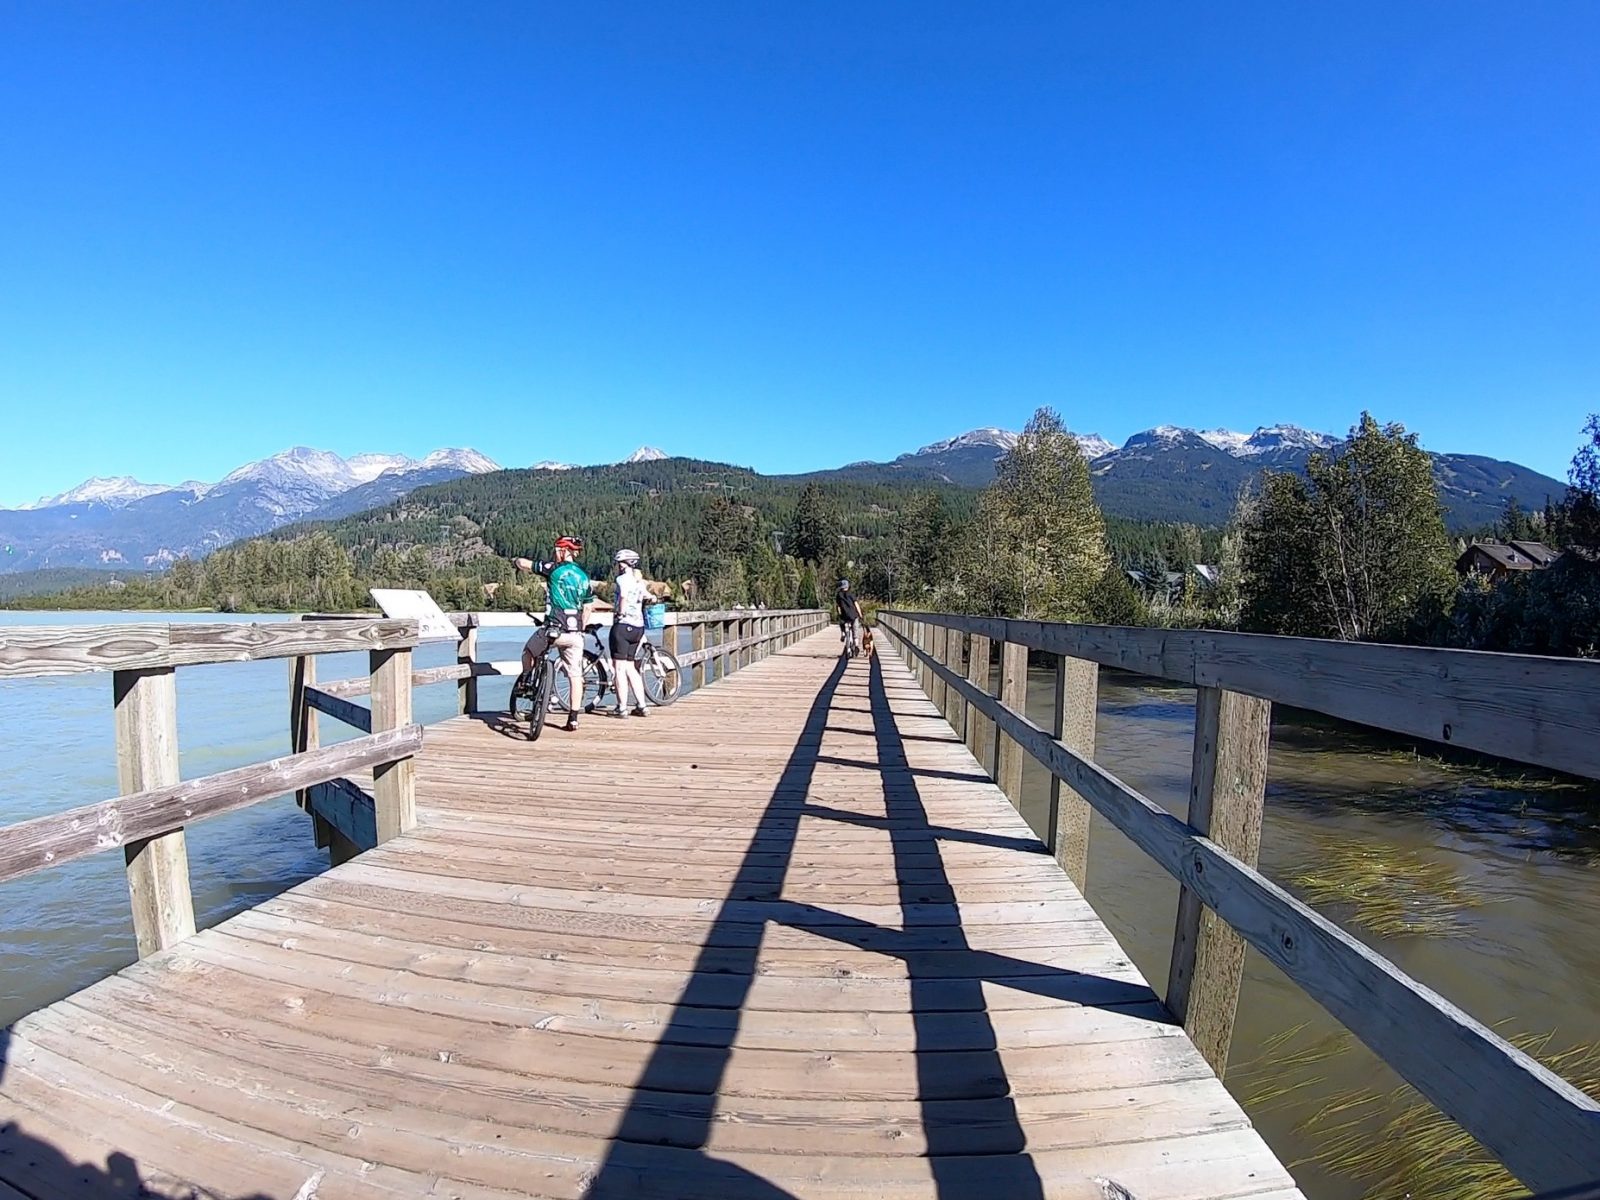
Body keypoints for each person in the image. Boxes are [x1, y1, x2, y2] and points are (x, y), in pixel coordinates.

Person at [514, 535, 594, 732]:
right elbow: (588, 608)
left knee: (528, 652)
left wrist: (515, 561)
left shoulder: (554, 569)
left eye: (556, 549)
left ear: (562, 550)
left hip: (554, 630)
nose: (554, 553)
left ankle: (526, 680)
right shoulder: (584, 578)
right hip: (575, 634)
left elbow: (526, 564)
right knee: (575, 675)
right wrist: (581, 629)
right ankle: (573, 719)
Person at [606, 549, 671, 717]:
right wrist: (655, 599)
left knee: (619, 668)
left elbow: (623, 598)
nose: (618, 566)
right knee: (630, 667)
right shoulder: (639, 582)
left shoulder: (622, 580)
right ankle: (642, 705)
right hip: (638, 627)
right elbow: (649, 597)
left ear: (626, 563)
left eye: (620, 563)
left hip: (623, 626)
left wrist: (620, 612)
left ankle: (621, 707)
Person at [836, 578, 864, 654]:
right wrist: (860, 614)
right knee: (855, 631)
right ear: (848, 586)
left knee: (842, 623)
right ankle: (856, 645)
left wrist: (839, 614)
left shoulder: (839, 595)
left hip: (845, 616)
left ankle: (843, 633)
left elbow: (838, 606)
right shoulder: (851, 594)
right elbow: (856, 604)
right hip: (853, 616)